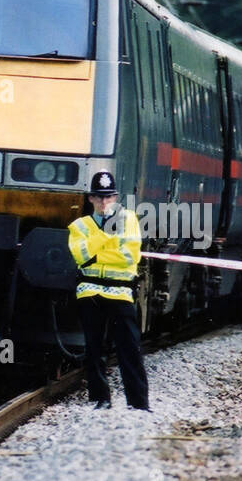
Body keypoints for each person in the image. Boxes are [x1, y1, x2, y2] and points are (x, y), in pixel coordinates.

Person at [67, 170, 149, 411]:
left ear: (115, 197)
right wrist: (109, 239)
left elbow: (129, 256)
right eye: (99, 197)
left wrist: (96, 247)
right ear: (90, 199)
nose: (104, 202)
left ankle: (138, 402)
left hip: (120, 293)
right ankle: (100, 399)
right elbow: (81, 256)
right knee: (94, 350)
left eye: (109, 197)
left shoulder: (129, 219)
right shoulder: (79, 225)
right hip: (90, 294)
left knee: (130, 349)